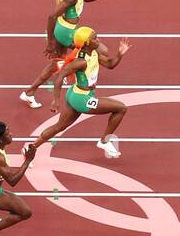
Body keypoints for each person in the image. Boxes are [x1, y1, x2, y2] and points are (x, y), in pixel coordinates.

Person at [20, 0, 116, 108]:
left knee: (57, 62)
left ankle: (30, 93)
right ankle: (64, 72)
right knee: (102, 51)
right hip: (67, 32)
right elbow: (51, 16)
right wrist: (50, 42)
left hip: (64, 26)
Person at [30, 27, 132, 159]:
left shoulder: (94, 53)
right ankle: (104, 141)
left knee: (59, 127)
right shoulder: (81, 61)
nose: (98, 40)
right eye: (94, 38)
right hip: (82, 99)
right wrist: (55, 100)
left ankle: (31, 147)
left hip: (74, 93)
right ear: (87, 43)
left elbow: (110, 64)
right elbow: (60, 76)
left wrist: (120, 53)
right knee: (121, 108)